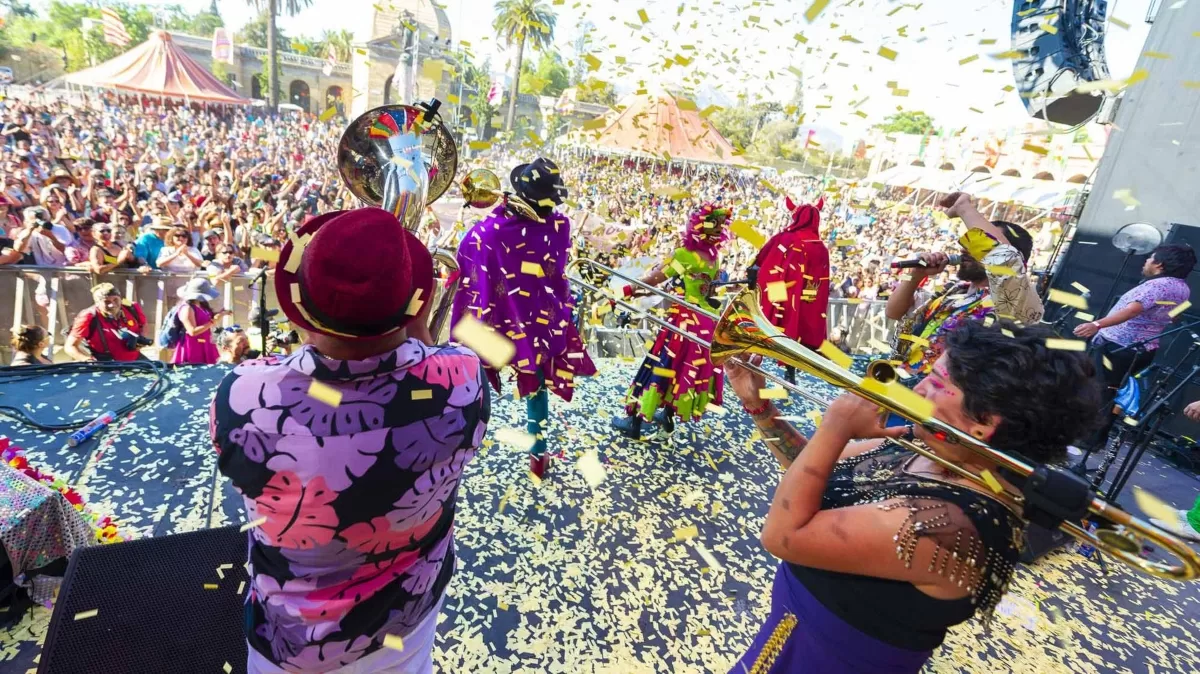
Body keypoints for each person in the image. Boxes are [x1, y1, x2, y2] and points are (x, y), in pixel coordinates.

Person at [724, 320, 1100, 673]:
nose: (918, 389)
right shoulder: (923, 444)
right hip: (791, 632)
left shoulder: (952, 525)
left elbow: (783, 536)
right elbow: (805, 470)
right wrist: (759, 405)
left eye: (937, 381)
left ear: (983, 422)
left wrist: (836, 426)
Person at [211, 207, 487, 674]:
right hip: (406, 624)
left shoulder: (241, 395)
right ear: (413, 304)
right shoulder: (464, 380)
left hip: (289, 643)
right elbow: (426, 359)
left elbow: (317, 389)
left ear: (301, 304)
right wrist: (409, 321)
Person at [451, 157, 596, 478]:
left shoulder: (489, 231)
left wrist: (500, 212)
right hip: (541, 323)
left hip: (496, 321)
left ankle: (460, 438)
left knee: (476, 372)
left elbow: (467, 255)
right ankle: (538, 456)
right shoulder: (561, 226)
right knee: (536, 388)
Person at [885, 192, 1043, 377]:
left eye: (977, 243)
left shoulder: (1011, 302)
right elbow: (893, 312)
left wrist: (964, 208)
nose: (966, 248)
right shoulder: (953, 291)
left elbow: (1003, 259)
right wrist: (916, 276)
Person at [611, 202, 730, 440]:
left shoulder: (685, 254)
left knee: (658, 367)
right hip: (705, 324)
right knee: (679, 373)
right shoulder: (713, 257)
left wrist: (626, 290)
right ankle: (666, 417)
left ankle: (634, 423)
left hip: (684, 322)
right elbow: (708, 292)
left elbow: (654, 279)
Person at [1072, 243, 1196, 453]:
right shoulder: (1183, 288)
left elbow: (1132, 311)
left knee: (1102, 391)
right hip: (1143, 349)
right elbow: (1177, 316)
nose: (1145, 261)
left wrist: (1096, 324)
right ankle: (1096, 438)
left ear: (1159, 264)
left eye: (1150, 258)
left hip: (1120, 347)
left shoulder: (1156, 286)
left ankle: (1089, 439)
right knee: (1112, 393)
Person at [751, 195, 831, 382]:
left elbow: (761, 261)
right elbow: (821, 280)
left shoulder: (785, 237)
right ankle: (791, 369)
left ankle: (753, 357)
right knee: (799, 329)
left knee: (769, 322)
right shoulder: (821, 247)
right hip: (806, 298)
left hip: (780, 293)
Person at [64, 283, 148, 362]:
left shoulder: (132, 307)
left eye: (115, 299)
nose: (112, 305)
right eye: (106, 302)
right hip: (107, 364)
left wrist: (140, 339)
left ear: (121, 299)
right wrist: (88, 360)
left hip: (135, 358)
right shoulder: (88, 316)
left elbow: (143, 324)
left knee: (159, 373)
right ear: (97, 303)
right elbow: (70, 346)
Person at [170, 278, 229, 365]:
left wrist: (221, 313)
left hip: (205, 342)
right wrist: (213, 321)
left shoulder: (201, 304)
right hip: (193, 347)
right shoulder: (187, 308)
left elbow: (203, 318)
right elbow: (192, 331)